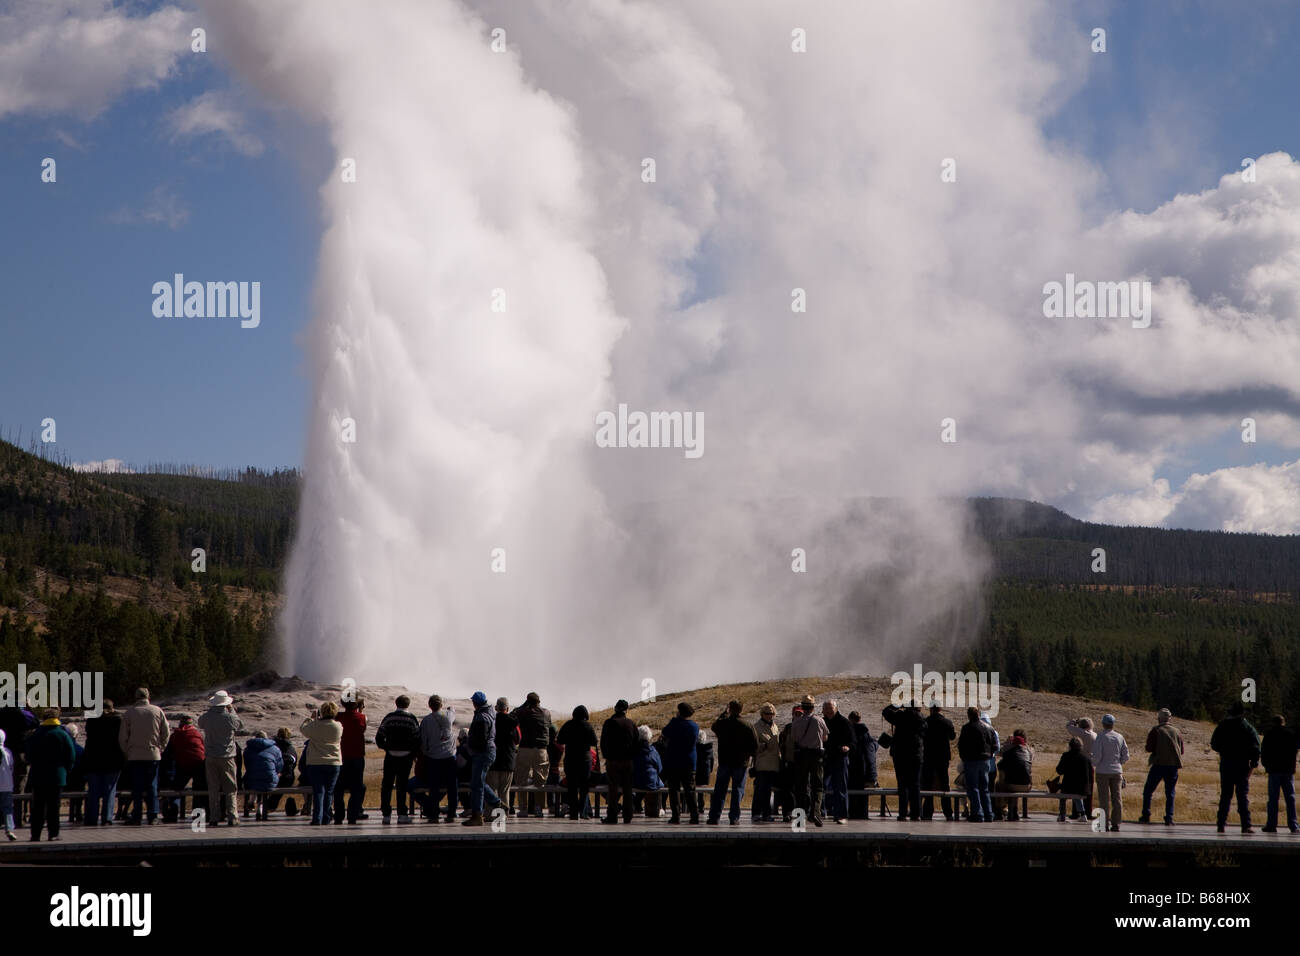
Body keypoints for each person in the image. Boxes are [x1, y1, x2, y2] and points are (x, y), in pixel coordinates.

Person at [118, 687, 169, 826]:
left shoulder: (129, 713)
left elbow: (123, 737)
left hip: (135, 756)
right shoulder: (157, 711)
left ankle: (137, 816)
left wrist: (127, 752)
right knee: (152, 786)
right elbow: (166, 732)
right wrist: (161, 748)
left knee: (137, 787)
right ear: (148, 696)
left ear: (136, 697)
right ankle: (153, 816)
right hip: (153, 754)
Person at [24, 708, 76, 842]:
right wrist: (66, 770)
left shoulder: (35, 735)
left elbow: (28, 756)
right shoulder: (62, 734)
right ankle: (53, 834)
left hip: (38, 775)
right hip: (57, 776)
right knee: (54, 807)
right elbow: (71, 755)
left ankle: (35, 834)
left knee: (37, 807)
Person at [1210, 700, 1260, 834]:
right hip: (1242, 765)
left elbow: (1214, 743)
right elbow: (1256, 747)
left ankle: (1221, 824)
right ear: (1242, 714)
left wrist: (1223, 751)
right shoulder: (1247, 727)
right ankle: (1246, 825)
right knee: (1242, 795)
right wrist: (1253, 764)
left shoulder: (1223, 725)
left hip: (1226, 763)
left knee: (1225, 795)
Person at [198, 690, 243, 827]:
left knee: (213, 788)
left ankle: (214, 817)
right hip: (227, 756)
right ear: (226, 703)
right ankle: (232, 817)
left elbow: (200, 724)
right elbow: (240, 725)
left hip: (210, 756)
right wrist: (232, 710)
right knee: (230, 788)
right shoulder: (230, 717)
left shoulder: (206, 717)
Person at [376, 694, 421, 824]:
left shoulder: (389, 718)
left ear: (396, 704)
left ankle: (386, 814)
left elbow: (379, 736)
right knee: (402, 785)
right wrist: (413, 753)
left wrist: (387, 748)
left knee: (387, 785)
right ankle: (402, 814)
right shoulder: (412, 719)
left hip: (391, 756)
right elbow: (417, 739)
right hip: (406, 757)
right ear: (408, 705)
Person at [1139, 707, 1184, 826]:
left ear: (1159, 718)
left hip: (1159, 764)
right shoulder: (1177, 731)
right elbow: (1182, 750)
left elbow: (1149, 748)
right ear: (1169, 718)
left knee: (1148, 791)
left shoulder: (1156, 730)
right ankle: (1169, 818)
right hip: (1173, 766)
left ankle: (1146, 815)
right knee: (1170, 793)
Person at [510, 692, 552, 818]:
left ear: (527, 701)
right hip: (541, 750)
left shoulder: (522, 712)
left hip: (525, 748)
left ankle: (523, 808)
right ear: (539, 701)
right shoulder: (546, 713)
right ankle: (538, 808)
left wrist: (524, 705)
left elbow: (512, 714)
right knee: (540, 780)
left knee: (521, 779)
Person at [882, 700, 925, 822]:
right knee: (915, 784)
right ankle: (916, 814)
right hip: (916, 755)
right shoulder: (922, 718)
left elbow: (885, 712)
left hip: (900, 755)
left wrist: (896, 705)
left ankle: (902, 813)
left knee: (902, 784)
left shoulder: (900, 716)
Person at [300, 703, 343, 825]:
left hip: (316, 762)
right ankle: (326, 817)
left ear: (322, 712)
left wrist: (311, 719)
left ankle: (316, 818)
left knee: (319, 791)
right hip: (334, 762)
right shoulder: (338, 726)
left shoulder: (315, 725)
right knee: (329, 792)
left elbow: (303, 729)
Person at [792, 696, 830, 827]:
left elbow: (794, 738)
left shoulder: (796, 722)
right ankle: (816, 814)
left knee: (801, 787)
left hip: (802, 756)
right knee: (817, 786)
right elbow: (825, 738)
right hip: (816, 756)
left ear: (802, 707)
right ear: (813, 707)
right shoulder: (819, 720)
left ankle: (799, 818)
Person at [418, 695, 458, 823]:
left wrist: (426, 753)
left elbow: (423, 741)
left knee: (434, 787)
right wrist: (450, 707)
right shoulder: (447, 716)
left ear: (430, 706)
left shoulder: (426, 721)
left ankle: (434, 815)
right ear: (441, 705)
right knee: (452, 786)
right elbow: (452, 711)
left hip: (433, 757)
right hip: (449, 757)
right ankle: (451, 813)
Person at [463, 691, 500, 826]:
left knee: (476, 785)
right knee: (478, 782)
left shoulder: (481, 717)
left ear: (475, 703)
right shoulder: (488, 713)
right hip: (487, 752)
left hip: (482, 753)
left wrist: (471, 747)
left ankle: (477, 816)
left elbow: (481, 739)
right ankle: (496, 802)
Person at [555, 704, 598, 821]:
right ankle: (583, 813)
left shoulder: (568, 725)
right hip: (585, 761)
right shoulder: (588, 726)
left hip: (571, 760)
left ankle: (573, 814)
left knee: (572, 787)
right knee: (584, 788)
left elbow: (559, 740)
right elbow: (594, 741)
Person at [600, 700, 639, 824]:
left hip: (613, 761)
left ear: (615, 708)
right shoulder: (631, 724)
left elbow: (603, 743)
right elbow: (636, 743)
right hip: (628, 761)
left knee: (613, 789)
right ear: (626, 710)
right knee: (628, 789)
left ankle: (612, 816)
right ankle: (628, 816)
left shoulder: (609, 723)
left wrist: (607, 756)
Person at [662, 703, 700, 824]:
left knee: (674, 790)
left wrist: (674, 719)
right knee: (690, 790)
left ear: (679, 712)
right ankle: (694, 816)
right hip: (689, 763)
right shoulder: (694, 726)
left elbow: (665, 732)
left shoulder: (675, 724)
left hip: (674, 763)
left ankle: (676, 816)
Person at [1260, 715, 1299, 833]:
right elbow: (1296, 749)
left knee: (1273, 799)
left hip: (1274, 771)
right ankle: (1293, 825)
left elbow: (1264, 751)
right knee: (1290, 798)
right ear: (1284, 722)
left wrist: (1267, 765)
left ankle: (1271, 825)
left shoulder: (1269, 734)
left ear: (1273, 723)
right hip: (1288, 771)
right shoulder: (1290, 734)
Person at [1091, 713, 1129, 832]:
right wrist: (1119, 763)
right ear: (1113, 724)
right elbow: (1126, 755)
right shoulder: (1119, 737)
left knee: (1104, 799)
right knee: (1117, 799)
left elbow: (1097, 755)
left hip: (1103, 771)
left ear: (1103, 724)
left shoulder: (1100, 737)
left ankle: (1103, 824)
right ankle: (1116, 824)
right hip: (1117, 771)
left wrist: (1094, 763)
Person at [957, 707, 996, 822]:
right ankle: (989, 814)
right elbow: (994, 745)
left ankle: (978, 813)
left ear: (969, 716)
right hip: (985, 761)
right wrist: (989, 756)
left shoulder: (966, 728)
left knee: (973, 788)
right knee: (984, 788)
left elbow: (961, 745)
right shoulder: (989, 728)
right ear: (978, 715)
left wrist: (964, 758)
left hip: (971, 761)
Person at [333, 696, 367, 825]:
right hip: (357, 756)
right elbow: (362, 728)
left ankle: (339, 815)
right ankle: (352, 815)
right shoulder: (362, 717)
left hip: (341, 756)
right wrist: (360, 710)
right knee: (356, 788)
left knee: (339, 788)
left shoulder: (338, 717)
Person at [166, 714, 207, 820]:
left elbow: (170, 751)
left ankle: (173, 812)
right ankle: (197, 815)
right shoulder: (197, 733)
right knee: (198, 789)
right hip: (199, 763)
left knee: (176, 788)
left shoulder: (175, 735)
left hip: (182, 764)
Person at [820, 700, 854, 825]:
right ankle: (820, 813)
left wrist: (847, 747)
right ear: (823, 710)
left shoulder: (844, 722)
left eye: (831, 708)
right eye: (826, 708)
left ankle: (842, 815)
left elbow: (852, 741)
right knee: (820, 786)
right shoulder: (821, 722)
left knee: (840, 788)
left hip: (840, 758)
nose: (829, 711)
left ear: (836, 708)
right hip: (825, 758)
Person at [921, 703, 956, 822]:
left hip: (928, 757)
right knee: (944, 785)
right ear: (940, 709)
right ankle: (948, 813)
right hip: (942, 758)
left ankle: (927, 812)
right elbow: (952, 736)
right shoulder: (947, 722)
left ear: (931, 709)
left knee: (928, 785)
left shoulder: (925, 722)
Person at [487, 697, 520, 816]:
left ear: (496, 708)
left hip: (493, 760)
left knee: (491, 790)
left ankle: (490, 814)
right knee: (504, 791)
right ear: (507, 708)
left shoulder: (491, 720)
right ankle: (502, 816)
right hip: (508, 760)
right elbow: (518, 739)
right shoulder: (513, 723)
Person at [242, 731, 283, 821]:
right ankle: (259, 809)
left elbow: (247, 764)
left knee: (255, 777)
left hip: (252, 779)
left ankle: (251, 801)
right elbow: (279, 766)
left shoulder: (248, 749)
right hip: (269, 779)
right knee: (266, 779)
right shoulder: (275, 749)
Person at [752, 703, 781, 823]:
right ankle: (756, 813)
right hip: (762, 763)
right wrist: (763, 746)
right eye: (767, 713)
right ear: (762, 714)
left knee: (768, 791)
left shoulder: (775, 726)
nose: (770, 716)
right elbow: (753, 746)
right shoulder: (756, 727)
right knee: (760, 790)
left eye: (772, 713)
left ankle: (767, 814)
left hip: (774, 763)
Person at [995, 730, 1033, 821]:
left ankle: (998, 811)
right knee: (1017, 781)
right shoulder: (1028, 751)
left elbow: (1000, 766)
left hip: (1012, 785)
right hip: (1027, 786)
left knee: (999, 785)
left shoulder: (1009, 752)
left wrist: (1007, 744)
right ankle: (1014, 812)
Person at [264, 728, 299, 816]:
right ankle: (270, 806)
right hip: (285, 778)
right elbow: (292, 764)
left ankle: (269, 806)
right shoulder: (290, 748)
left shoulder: (272, 747)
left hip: (271, 775)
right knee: (283, 784)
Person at [1066, 717, 1097, 816]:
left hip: (1079, 764)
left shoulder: (1081, 733)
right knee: (1089, 789)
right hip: (1091, 764)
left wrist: (1074, 721)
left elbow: (1068, 726)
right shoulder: (1094, 735)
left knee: (1077, 789)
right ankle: (1088, 811)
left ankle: (1076, 812)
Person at [1055, 737, 1090, 821]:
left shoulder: (1066, 756)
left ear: (1070, 746)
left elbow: (1059, 771)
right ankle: (1082, 814)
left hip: (1068, 786)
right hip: (1081, 788)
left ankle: (1062, 814)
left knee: (1063, 796)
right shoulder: (1085, 758)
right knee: (1077, 795)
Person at [632, 725, 663, 818]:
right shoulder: (653, 751)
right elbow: (660, 768)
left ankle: (637, 804)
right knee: (659, 783)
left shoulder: (633, 750)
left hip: (635, 782)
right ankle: (659, 807)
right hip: (651, 782)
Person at [777, 705, 800, 822]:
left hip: (802, 764)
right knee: (788, 790)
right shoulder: (787, 728)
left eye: (800, 714)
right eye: (796, 713)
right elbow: (781, 745)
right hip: (789, 763)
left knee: (801, 790)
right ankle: (787, 812)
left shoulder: (805, 726)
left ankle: (800, 814)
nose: (798, 716)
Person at [0, 729, 17, 840]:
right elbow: (11, 767)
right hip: (6, 785)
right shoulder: (7, 752)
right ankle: (9, 829)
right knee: (7, 808)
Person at [694, 728, 715, 817]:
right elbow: (712, 762)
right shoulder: (709, 749)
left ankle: (694, 808)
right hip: (705, 775)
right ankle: (701, 807)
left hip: (695, 773)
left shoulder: (694, 749)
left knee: (693, 789)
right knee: (701, 791)